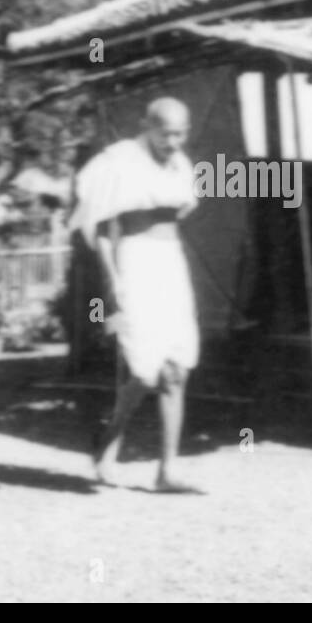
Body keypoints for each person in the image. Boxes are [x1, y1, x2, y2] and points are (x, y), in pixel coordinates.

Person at [69, 97, 202, 493]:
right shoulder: (119, 163)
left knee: (176, 369)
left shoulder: (181, 166)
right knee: (144, 371)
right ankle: (108, 442)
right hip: (135, 261)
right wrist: (114, 284)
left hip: (170, 261)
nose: (173, 141)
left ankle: (167, 471)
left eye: (180, 134)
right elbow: (104, 231)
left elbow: (177, 216)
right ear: (146, 125)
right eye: (165, 133)